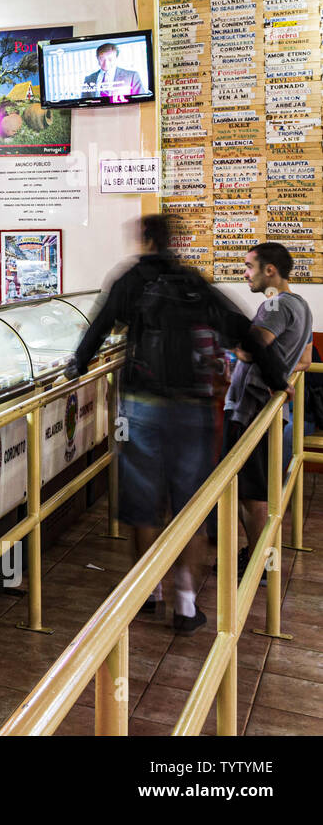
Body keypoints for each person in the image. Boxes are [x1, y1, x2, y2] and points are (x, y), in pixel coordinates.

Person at [66, 215, 249, 635]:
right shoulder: (194, 281)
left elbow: (96, 329)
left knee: (142, 502)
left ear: (145, 238)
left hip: (139, 406)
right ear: (177, 240)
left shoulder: (130, 278)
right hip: (192, 408)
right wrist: (276, 378)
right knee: (190, 506)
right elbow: (239, 326)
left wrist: (77, 366)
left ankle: (149, 593)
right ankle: (185, 605)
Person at [224, 242, 313, 583]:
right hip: (266, 410)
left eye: (249, 266)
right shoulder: (301, 305)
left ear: (270, 270)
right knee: (254, 487)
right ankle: (256, 553)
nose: (245, 273)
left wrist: (233, 343)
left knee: (251, 491)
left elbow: (253, 347)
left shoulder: (275, 305)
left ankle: (258, 560)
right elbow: (304, 360)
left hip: (250, 407)